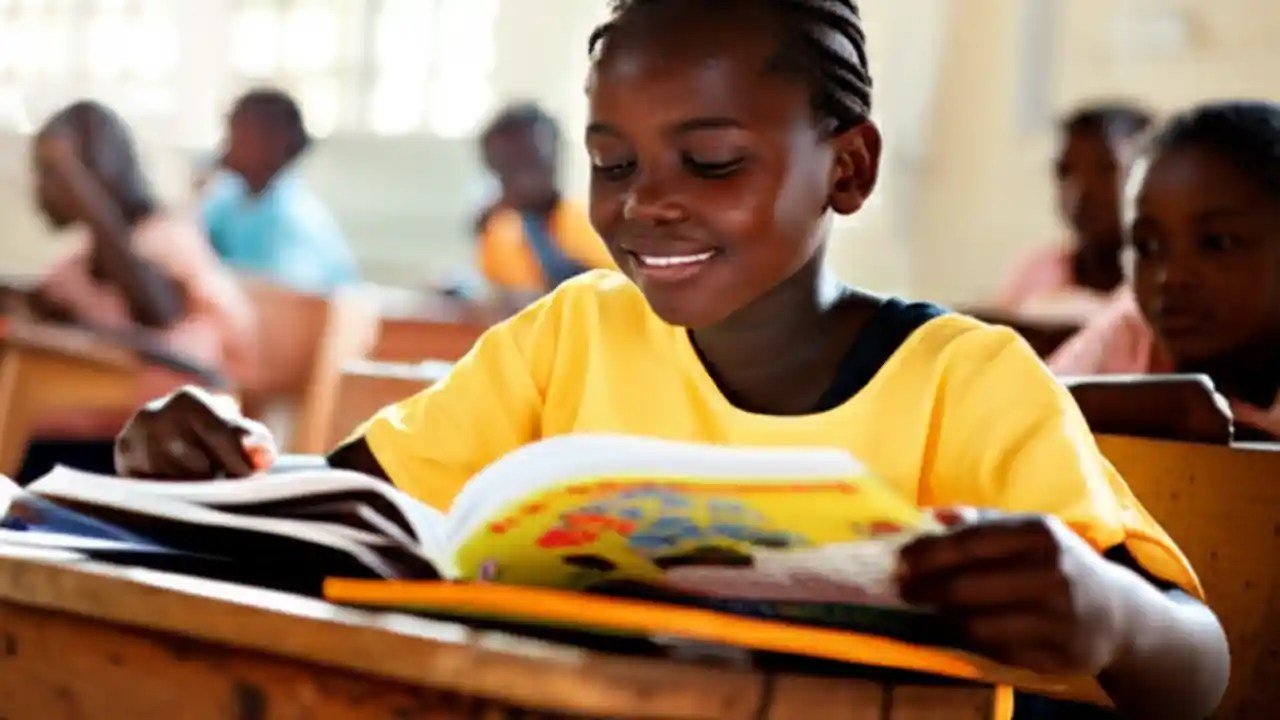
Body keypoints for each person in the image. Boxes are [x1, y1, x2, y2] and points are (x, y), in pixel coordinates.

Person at [116, 2, 1227, 717]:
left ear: (846, 169)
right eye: (611, 163)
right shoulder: (569, 336)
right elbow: (347, 512)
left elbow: (1198, 669)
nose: (646, 202)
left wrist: (1109, 610)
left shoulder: (965, 382)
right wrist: (212, 477)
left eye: (707, 160)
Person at [16, 100, 255, 480]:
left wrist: (86, 196)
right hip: (84, 436)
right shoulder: (76, 263)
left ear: (96, 175)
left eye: (52, 173)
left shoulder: (168, 238)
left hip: (164, 449)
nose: (41, 187)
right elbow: (43, 315)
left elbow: (158, 309)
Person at [1051, 101, 1280, 440]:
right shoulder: (1134, 332)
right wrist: (1138, 404)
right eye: (1148, 247)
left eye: (1218, 243)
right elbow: (1017, 402)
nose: (1170, 277)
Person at [996, 103, 1153, 321]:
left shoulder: (1163, 286)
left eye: (1106, 170)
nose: (1080, 191)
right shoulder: (1035, 277)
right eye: (1065, 171)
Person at [201, 89, 357, 294]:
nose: (227, 145)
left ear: (274, 142)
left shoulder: (296, 219)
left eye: (239, 132)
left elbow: (288, 296)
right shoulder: (226, 200)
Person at [475, 103, 613, 304]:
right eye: (509, 166)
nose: (524, 179)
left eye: (532, 162)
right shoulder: (498, 232)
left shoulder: (591, 222)